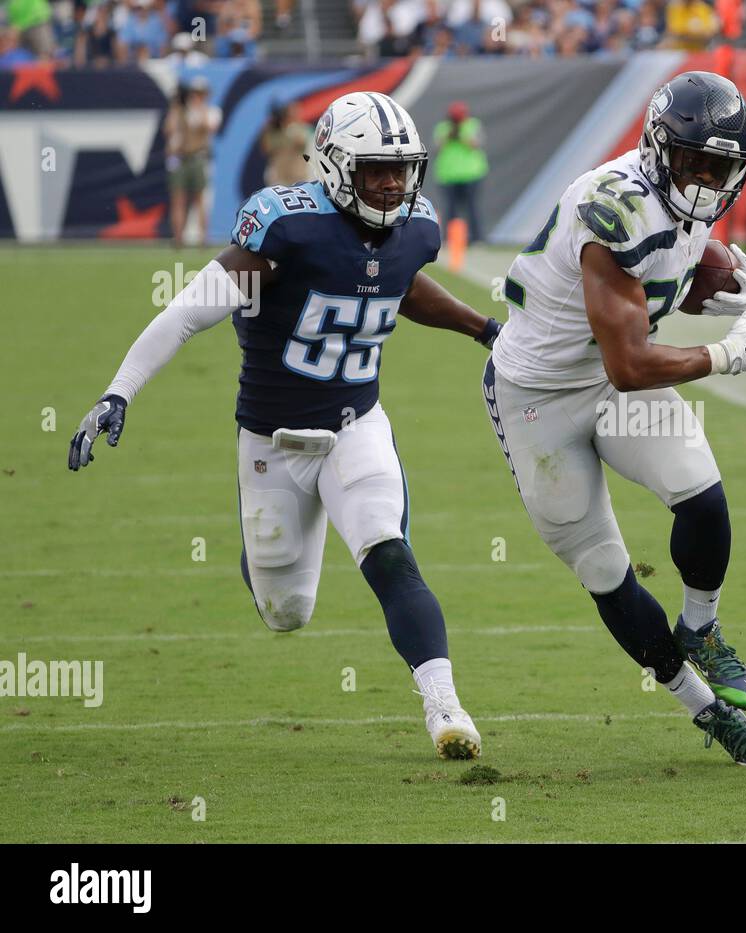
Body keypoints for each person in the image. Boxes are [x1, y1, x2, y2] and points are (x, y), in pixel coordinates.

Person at [68, 92, 500, 761]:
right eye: (375, 169)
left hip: (357, 425)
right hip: (271, 439)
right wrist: (118, 390)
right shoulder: (285, 228)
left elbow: (400, 282)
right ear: (332, 166)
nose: (392, 182)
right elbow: (188, 311)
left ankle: (445, 705)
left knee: (389, 550)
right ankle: (275, 531)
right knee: (285, 611)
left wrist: (484, 328)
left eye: (402, 168)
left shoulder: (414, 226)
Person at [484, 72, 746, 767]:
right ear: (659, 148)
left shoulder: (683, 202)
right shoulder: (613, 207)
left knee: (704, 496)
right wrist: (722, 353)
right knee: (606, 569)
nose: (707, 179)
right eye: (694, 162)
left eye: (723, 167)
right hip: (538, 397)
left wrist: (692, 290)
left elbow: (650, 287)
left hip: (605, 377)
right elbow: (629, 360)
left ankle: (702, 627)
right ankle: (706, 710)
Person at [164, 77, 220, 247]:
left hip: (198, 158)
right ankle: (178, 239)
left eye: (200, 93)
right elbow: (169, 129)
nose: (197, 96)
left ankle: (203, 238)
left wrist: (199, 108)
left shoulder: (211, 111)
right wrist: (176, 106)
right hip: (180, 159)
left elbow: (208, 127)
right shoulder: (181, 111)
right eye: (195, 93)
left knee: (199, 200)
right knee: (178, 199)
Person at [431, 101, 488, 244]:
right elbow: (436, 149)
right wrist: (448, 136)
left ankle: (477, 239)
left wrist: (462, 136)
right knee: (450, 210)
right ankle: (449, 240)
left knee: (472, 208)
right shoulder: (443, 128)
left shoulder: (473, 125)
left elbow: (477, 144)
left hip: (471, 175)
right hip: (448, 176)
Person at [259, 99, 310, 188]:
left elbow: (301, 143)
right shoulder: (271, 131)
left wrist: (289, 124)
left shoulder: (296, 127)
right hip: (279, 179)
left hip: (298, 178)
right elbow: (266, 148)